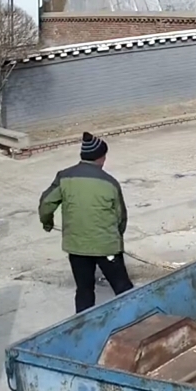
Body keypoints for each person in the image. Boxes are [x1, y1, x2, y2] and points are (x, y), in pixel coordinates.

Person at [38, 132, 135, 314]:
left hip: (77, 247)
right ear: (100, 157)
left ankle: (83, 325)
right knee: (123, 289)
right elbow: (121, 217)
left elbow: (46, 203)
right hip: (107, 247)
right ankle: (135, 322)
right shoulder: (110, 183)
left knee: (84, 290)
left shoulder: (64, 177)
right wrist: (116, 240)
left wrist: (47, 222)